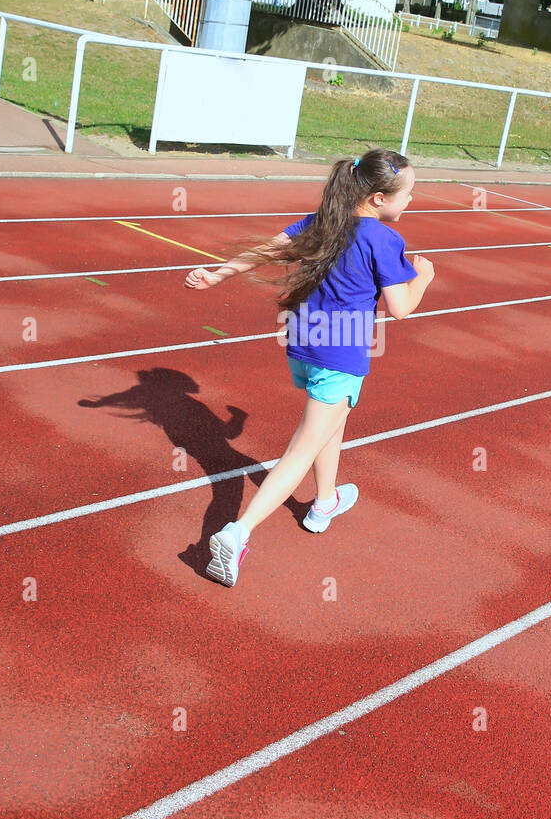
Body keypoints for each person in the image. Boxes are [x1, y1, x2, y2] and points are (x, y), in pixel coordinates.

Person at [184, 148, 434, 586]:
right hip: (341, 355)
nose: (412, 200)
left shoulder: (323, 221)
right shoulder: (384, 239)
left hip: (302, 344)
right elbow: (400, 309)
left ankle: (324, 503)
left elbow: (267, 250)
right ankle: (236, 533)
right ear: (378, 198)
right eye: (408, 193)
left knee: (331, 423)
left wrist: (218, 276)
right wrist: (424, 277)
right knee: (302, 446)